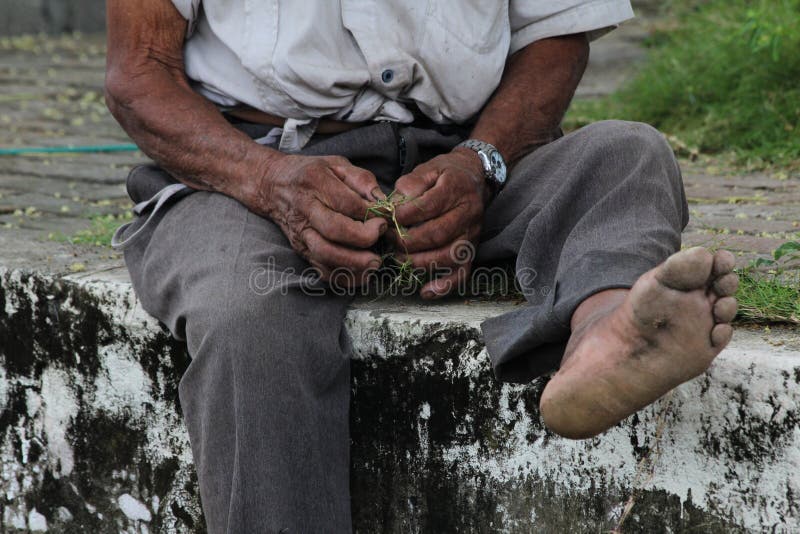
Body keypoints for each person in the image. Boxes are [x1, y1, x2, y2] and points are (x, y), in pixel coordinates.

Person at [105, 0, 739, 531]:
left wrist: (481, 162)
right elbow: (139, 75)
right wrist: (270, 182)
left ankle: (606, 329)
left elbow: (556, 35)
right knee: (249, 317)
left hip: (461, 161)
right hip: (249, 171)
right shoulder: (257, 177)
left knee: (627, 154)